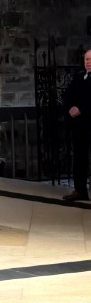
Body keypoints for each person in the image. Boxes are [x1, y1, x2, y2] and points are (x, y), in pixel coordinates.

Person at [63, 49, 91, 201]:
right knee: (79, 158)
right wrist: (70, 108)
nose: (88, 62)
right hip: (79, 126)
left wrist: (82, 109)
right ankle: (80, 190)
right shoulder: (79, 78)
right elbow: (67, 95)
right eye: (86, 59)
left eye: (90, 59)